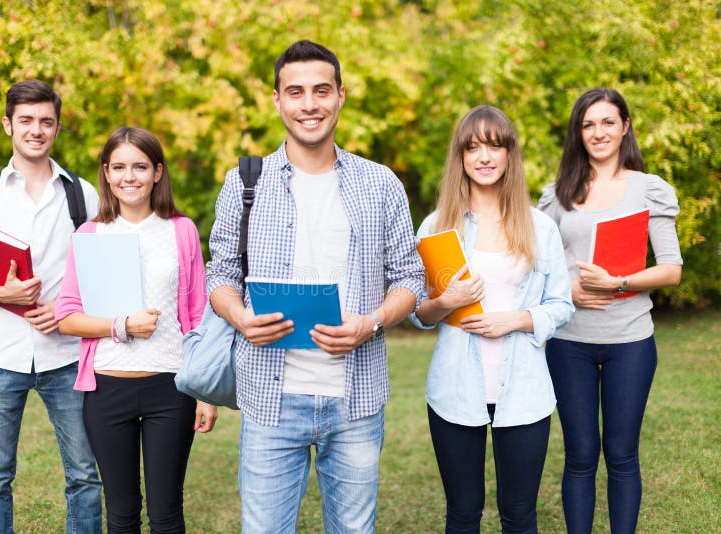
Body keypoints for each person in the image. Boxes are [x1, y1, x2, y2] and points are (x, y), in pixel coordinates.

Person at [205, 40, 425, 533]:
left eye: (321, 91)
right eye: (296, 92)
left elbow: (411, 277)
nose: (310, 104)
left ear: (341, 96)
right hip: (269, 396)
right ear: (278, 100)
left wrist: (371, 322)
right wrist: (241, 318)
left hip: (356, 398)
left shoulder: (380, 183)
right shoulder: (243, 183)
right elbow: (219, 275)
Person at [0, 79, 103, 533]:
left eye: (46, 121)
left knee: (84, 476)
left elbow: (102, 277)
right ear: (8, 125)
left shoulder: (83, 195)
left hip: (68, 358)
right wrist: (1, 295)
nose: (37, 129)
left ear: (56, 127)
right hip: (2, 356)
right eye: (27, 120)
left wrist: (67, 310)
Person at [410, 105, 573, 533]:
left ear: (509, 155)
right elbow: (419, 313)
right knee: (463, 513)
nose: (484, 157)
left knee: (519, 514)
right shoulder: (435, 226)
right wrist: (448, 300)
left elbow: (562, 304)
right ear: (461, 157)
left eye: (494, 146)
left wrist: (515, 319)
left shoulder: (540, 228)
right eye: (473, 146)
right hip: (455, 389)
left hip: (524, 391)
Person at [55, 126, 217, 533]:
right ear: (106, 174)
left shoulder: (181, 231)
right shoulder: (89, 235)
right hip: (107, 390)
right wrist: (121, 326)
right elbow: (67, 315)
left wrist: (205, 391)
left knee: (166, 514)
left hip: (172, 389)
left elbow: (198, 313)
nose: (130, 176)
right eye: (120, 167)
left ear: (157, 172)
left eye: (140, 166)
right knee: (121, 515)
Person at [538, 88, 682, 533]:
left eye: (607, 122)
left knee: (621, 455)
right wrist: (571, 289)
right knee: (580, 454)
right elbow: (539, 266)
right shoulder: (556, 194)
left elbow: (671, 269)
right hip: (568, 343)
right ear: (578, 133)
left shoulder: (649, 189)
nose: (598, 132)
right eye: (588, 124)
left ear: (625, 127)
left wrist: (618, 282)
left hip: (630, 341)